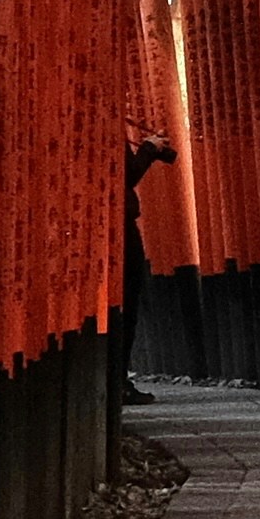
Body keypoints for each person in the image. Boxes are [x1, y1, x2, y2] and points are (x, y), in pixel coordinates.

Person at [115, 130, 179, 399]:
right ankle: (117, 383)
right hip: (118, 227)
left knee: (123, 309)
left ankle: (117, 381)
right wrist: (149, 149)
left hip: (112, 225)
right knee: (124, 308)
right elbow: (125, 175)